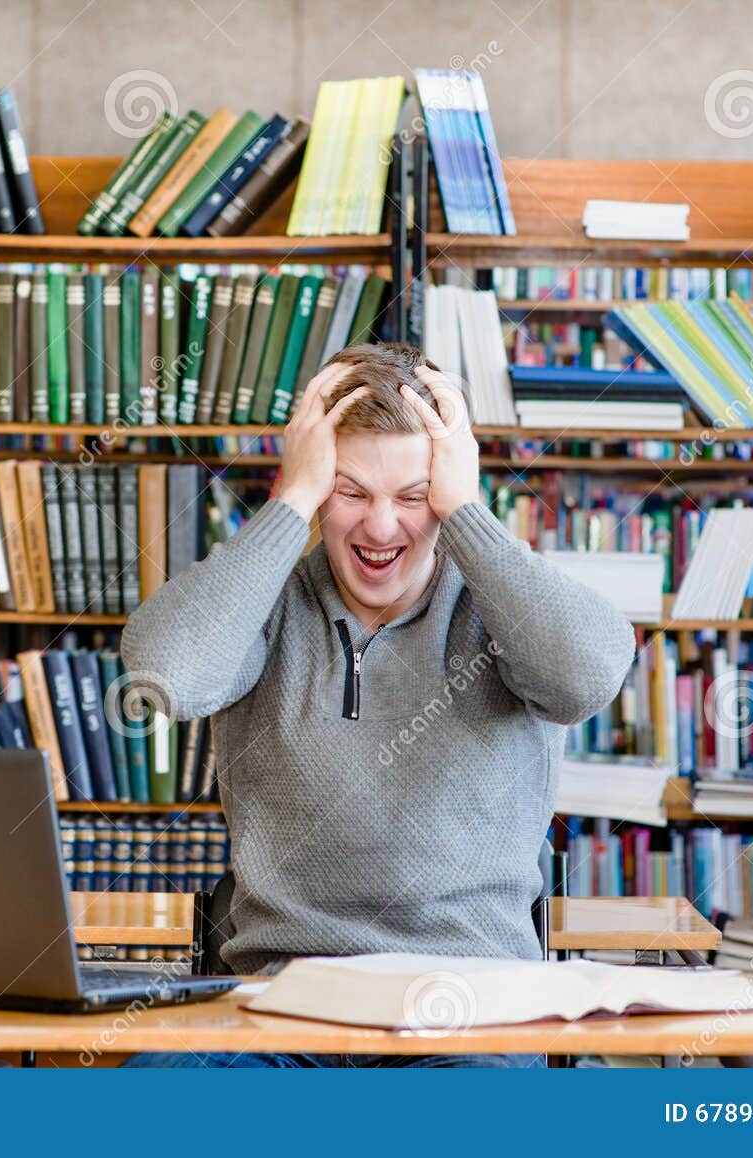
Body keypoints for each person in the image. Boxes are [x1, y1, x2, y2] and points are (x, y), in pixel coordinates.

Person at [118, 343, 637, 1067]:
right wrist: (288, 502)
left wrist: (467, 512)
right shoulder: (263, 604)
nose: (381, 528)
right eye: (350, 490)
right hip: (283, 1010)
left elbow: (585, 676)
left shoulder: (502, 606)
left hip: (471, 1013)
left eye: (415, 496)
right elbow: (166, 673)